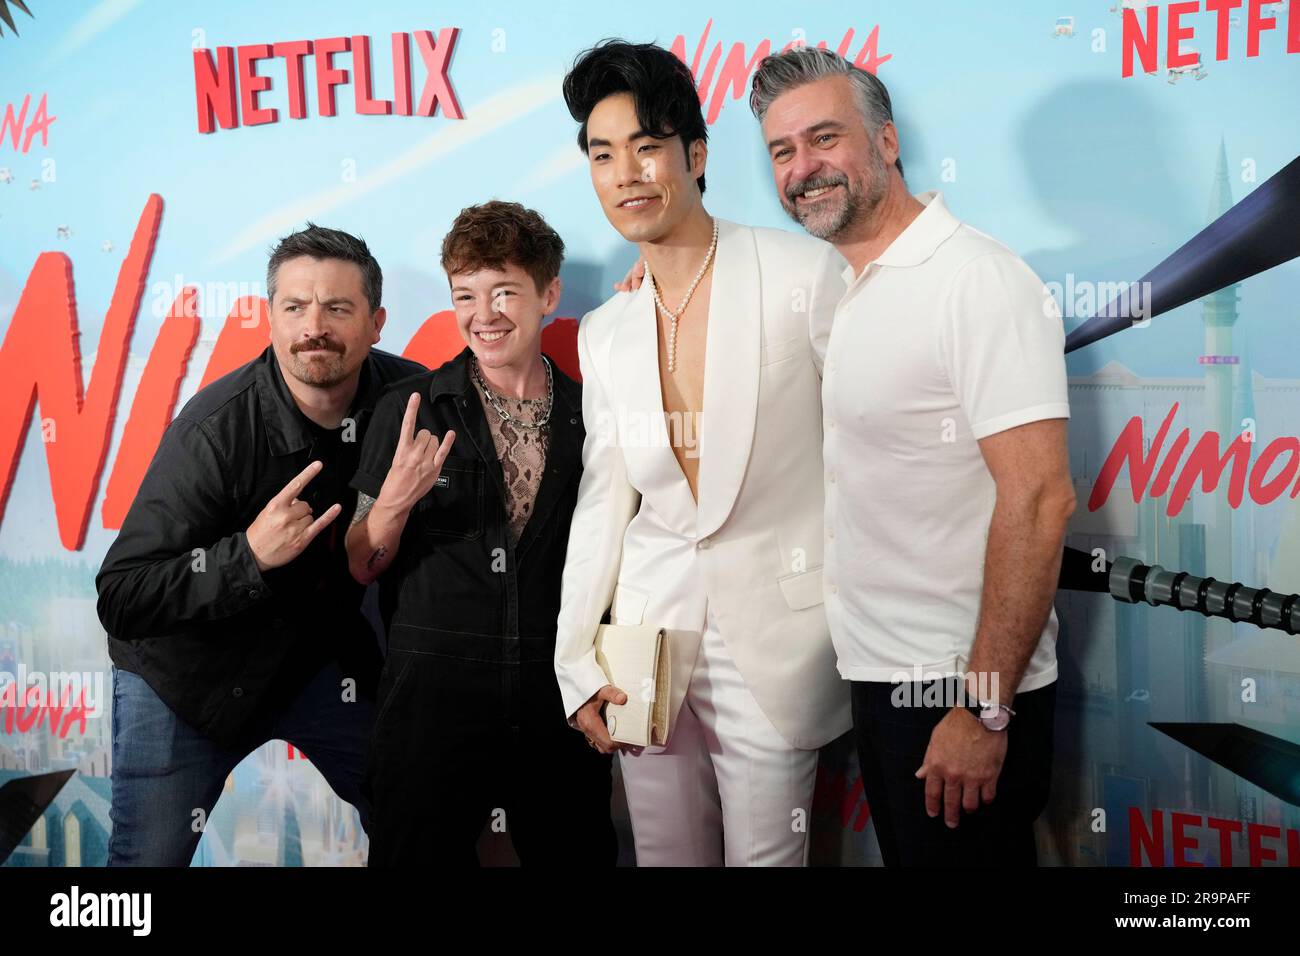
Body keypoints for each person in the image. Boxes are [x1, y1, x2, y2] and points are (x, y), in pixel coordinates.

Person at [750, 47, 1075, 866]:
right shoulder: (839, 284)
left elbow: (1041, 500)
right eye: (782, 151)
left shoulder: (979, 281)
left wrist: (984, 709)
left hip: (961, 692)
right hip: (877, 677)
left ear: (888, 142)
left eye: (825, 138)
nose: (802, 168)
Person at [554, 40, 850, 867]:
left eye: (647, 148)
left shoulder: (801, 272)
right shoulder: (605, 329)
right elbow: (604, 502)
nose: (627, 174)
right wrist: (574, 656)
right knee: (665, 858)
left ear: (695, 155)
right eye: (604, 155)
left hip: (781, 639)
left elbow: (865, 459)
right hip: (648, 644)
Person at [96, 224, 424, 866]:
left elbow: (499, 385)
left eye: (338, 307)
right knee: (145, 865)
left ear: (376, 322)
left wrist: (647, 290)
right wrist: (247, 556)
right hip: (189, 679)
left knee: (419, 818)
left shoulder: (410, 399)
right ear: (270, 316)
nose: (314, 327)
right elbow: (122, 594)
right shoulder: (214, 430)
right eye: (295, 307)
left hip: (319, 664)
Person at [346, 200, 616, 866]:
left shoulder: (595, 415)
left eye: (504, 292)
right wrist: (393, 505)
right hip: (430, 703)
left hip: (556, 695)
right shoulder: (410, 409)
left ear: (548, 294)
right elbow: (359, 564)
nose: (484, 314)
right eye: (465, 295)